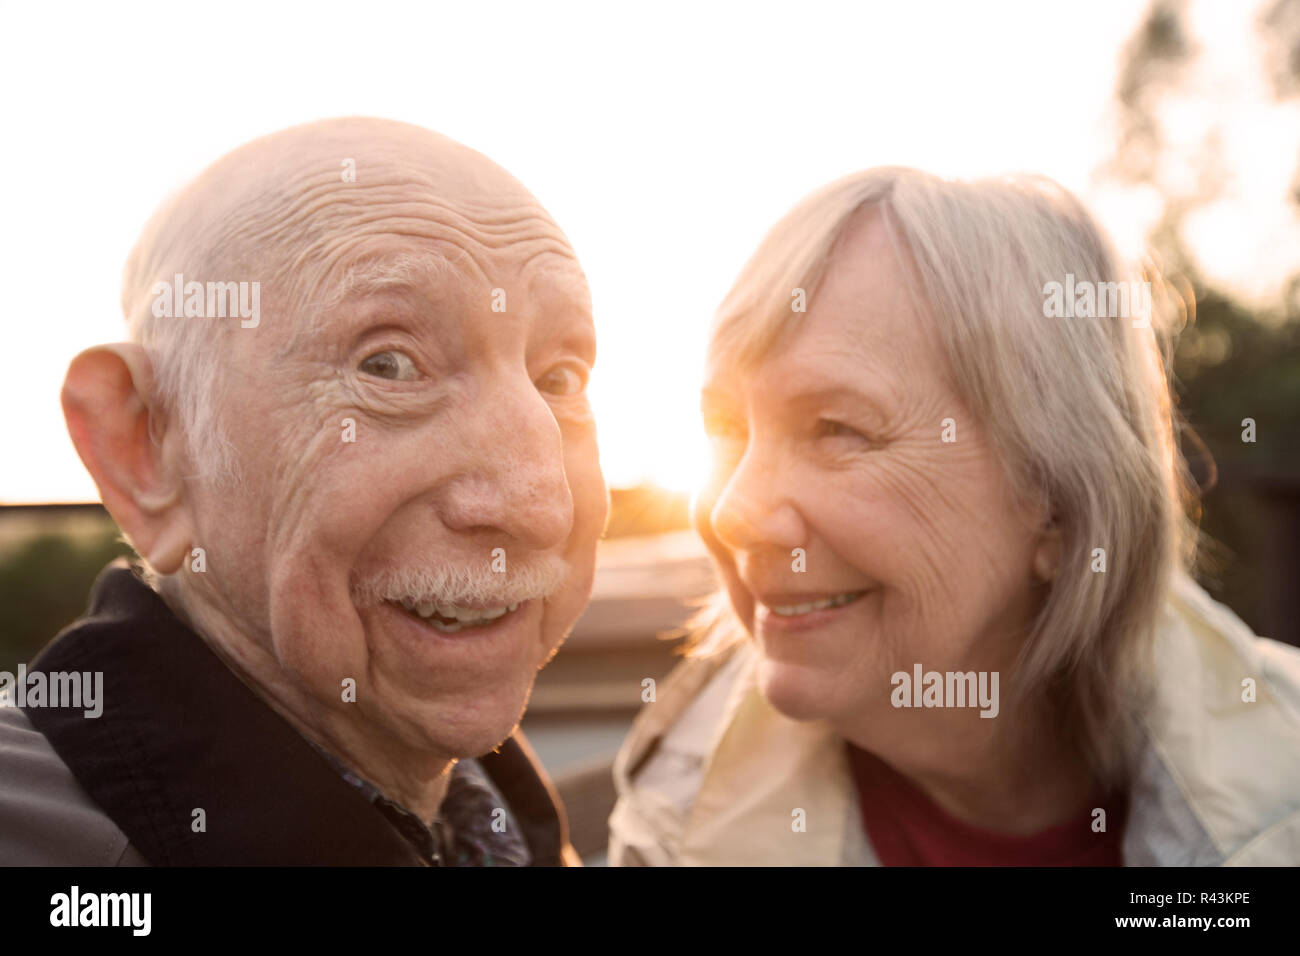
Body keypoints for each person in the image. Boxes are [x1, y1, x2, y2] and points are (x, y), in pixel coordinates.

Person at [609, 167, 1300, 866]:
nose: (733, 513)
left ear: (1060, 504)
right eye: (727, 429)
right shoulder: (674, 824)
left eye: (837, 429)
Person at [0, 117, 607, 865]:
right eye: (387, 365)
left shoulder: (496, 817)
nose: (540, 508)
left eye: (559, 379)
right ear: (144, 450)